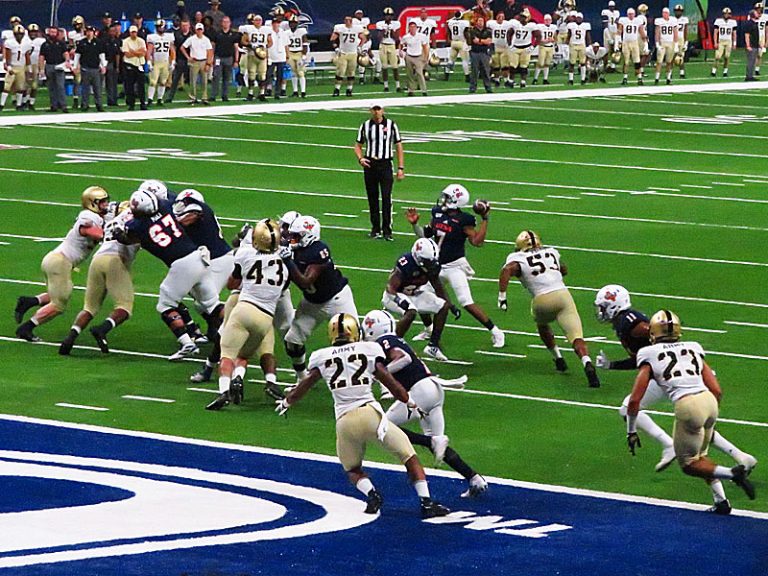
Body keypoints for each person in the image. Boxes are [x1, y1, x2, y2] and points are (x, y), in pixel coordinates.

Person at [275, 313, 451, 519]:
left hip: (345, 421)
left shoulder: (321, 356)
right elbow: (389, 381)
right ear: (356, 331)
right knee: (409, 457)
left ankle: (372, 494)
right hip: (371, 415)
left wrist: (287, 401)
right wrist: (408, 401)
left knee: (352, 469)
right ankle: (426, 502)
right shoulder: (369, 349)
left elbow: (305, 384)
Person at [594, 284, 758, 474]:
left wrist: (658, 338)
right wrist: (611, 365)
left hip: (675, 377)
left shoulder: (629, 322)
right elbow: (642, 358)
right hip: (685, 372)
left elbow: (651, 341)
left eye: (604, 306)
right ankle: (740, 457)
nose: (601, 311)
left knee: (628, 409)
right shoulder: (627, 324)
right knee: (698, 432)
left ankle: (668, 445)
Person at [626, 310, 756, 514]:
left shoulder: (647, 353)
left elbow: (634, 400)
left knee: (688, 464)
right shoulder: (693, 348)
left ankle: (733, 474)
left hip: (688, 405)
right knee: (701, 456)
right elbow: (716, 389)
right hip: (708, 400)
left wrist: (631, 431)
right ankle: (721, 501)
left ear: (653, 333)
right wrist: (711, 415)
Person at [362, 309, 488, 497]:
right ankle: (474, 479)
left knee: (384, 426)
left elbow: (403, 358)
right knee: (438, 447)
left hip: (421, 391)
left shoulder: (384, 342)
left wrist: (381, 374)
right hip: (434, 390)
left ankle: (431, 441)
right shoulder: (394, 339)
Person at [115, 190, 223, 361]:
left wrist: (117, 231)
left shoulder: (138, 226)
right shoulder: (165, 207)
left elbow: (127, 238)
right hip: (198, 257)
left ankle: (187, 342)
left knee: (165, 305)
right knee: (212, 304)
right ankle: (231, 330)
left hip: (181, 264)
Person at [406, 185, 505, 349]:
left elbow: (477, 242)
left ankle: (496, 331)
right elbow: (425, 235)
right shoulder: (437, 213)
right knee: (420, 294)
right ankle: (429, 329)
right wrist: (415, 225)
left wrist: (485, 220)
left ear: (454, 201)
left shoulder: (464, 220)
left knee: (466, 301)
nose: (442, 199)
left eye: (446, 197)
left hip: (454, 266)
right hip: (437, 265)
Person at [498, 230, 599, 387]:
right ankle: (586, 361)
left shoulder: (517, 258)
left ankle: (558, 358)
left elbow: (506, 270)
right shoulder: (552, 252)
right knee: (576, 336)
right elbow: (563, 270)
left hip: (541, 299)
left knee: (542, 324)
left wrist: (502, 296)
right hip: (563, 295)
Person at [207, 219, 286, 410]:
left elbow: (232, 284)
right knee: (244, 353)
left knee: (227, 354)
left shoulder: (245, 255)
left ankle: (224, 391)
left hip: (245, 309)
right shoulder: (284, 266)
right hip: (266, 318)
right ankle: (258, 379)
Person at [15, 187, 109, 342]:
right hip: (60, 262)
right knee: (58, 305)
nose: (105, 205)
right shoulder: (88, 216)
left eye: (106, 201)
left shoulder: (97, 216)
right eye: (102, 202)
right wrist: (111, 232)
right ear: (92, 203)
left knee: (58, 294)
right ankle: (26, 328)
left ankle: (28, 301)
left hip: (55, 260)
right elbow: (91, 231)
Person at [277, 216, 359, 382]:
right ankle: (302, 378)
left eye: (296, 236)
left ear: (308, 236)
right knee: (292, 340)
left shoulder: (319, 251)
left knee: (356, 340)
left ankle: (378, 381)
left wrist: (287, 261)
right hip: (312, 302)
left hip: (336, 298)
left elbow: (305, 281)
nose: (292, 239)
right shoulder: (294, 249)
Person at [59, 201, 139, 355]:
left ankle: (70, 338)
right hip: (115, 260)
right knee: (124, 307)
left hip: (97, 259)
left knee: (89, 308)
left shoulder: (113, 222)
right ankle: (102, 330)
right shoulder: (138, 223)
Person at [382, 239, 459, 361]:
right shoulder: (406, 263)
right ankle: (392, 346)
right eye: (428, 261)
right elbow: (390, 288)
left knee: (443, 306)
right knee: (411, 312)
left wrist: (451, 305)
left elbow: (437, 285)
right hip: (394, 296)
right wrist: (399, 301)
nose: (432, 263)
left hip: (414, 294)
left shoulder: (431, 265)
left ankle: (433, 346)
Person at [354, 103, 404, 241]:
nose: (376, 112)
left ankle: (387, 230)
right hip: (370, 164)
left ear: (383, 110)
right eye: (374, 109)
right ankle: (375, 229)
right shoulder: (365, 126)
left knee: (386, 197)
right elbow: (358, 145)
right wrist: (361, 159)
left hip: (386, 163)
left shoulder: (392, 125)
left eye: (379, 109)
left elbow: (399, 146)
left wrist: (401, 168)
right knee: (372, 197)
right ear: (370, 111)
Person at [74, 25, 106, 111]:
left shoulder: (98, 42)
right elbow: (77, 55)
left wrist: (103, 66)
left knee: (97, 88)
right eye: (87, 31)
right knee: (85, 88)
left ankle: (99, 104)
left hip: (95, 68)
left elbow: (101, 55)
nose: (89, 33)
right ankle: (85, 104)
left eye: (90, 31)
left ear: (93, 32)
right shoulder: (81, 43)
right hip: (85, 68)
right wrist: (75, 66)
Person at [38, 26, 71, 112]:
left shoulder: (61, 43)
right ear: (48, 33)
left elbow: (66, 53)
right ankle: (54, 105)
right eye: (51, 32)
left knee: (60, 86)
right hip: (49, 65)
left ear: (57, 33)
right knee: (51, 87)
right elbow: (41, 57)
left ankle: (63, 106)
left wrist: (67, 61)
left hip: (59, 66)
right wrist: (41, 69)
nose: (52, 34)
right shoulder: (44, 45)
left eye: (54, 32)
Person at [1, 25, 32, 112]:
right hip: (13, 66)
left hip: (21, 67)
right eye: (17, 34)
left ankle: (18, 105)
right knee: (7, 87)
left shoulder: (26, 42)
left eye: (21, 34)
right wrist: (9, 66)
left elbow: (27, 56)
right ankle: (1, 104)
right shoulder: (10, 42)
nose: (19, 36)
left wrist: (29, 68)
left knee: (20, 87)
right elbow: (7, 55)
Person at [330, 15, 364, 97]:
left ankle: (349, 89)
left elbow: (363, 38)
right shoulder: (340, 28)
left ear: (351, 21)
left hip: (353, 53)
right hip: (343, 53)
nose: (346, 22)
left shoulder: (356, 28)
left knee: (351, 72)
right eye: (345, 20)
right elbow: (332, 39)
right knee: (340, 71)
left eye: (348, 20)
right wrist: (336, 48)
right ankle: (337, 89)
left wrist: (359, 46)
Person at [181, 22, 213, 105]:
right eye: (198, 30)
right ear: (195, 30)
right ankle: (193, 97)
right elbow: (182, 47)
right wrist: (188, 57)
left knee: (204, 81)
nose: (199, 31)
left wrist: (208, 64)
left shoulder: (206, 39)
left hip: (203, 61)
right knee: (193, 81)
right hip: (194, 61)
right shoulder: (191, 39)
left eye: (200, 30)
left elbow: (209, 51)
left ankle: (204, 97)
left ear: (203, 30)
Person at [147, 19, 175, 105]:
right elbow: (149, 50)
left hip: (165, 62)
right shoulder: (152, 37)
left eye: (162, 27)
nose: (161, 28)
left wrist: (173, 61)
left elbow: (172, 50)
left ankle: (159, 99)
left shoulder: (169, 37)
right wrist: (149, 61)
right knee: (153, 82)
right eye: (159, 27)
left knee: (163, 82)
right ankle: (150, 99)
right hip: (156, 62)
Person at [241, 14, 269, 101]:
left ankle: (262, 93)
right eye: (256, 20)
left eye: (259, 20)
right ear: (253, 21)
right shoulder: (249, 29)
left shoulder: (266, 30)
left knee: (262, 75)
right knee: (251, 74)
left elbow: (270, 42)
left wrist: (264, 47)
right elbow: (243, 41)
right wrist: (250, 45)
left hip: (262, 55)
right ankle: (250, 93)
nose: (258, 22)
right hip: (252, 54)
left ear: (262, 21)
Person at [211, 16, 239, 101]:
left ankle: (225, 95)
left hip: (229, 58)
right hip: (218, 57)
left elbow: (236, 48)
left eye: (227, 22)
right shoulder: (217, 33)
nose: (225, 23)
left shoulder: (233, 35)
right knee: (216, 76)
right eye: (224, 22)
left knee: (227, 78)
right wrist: (212, 58)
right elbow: (213, 46)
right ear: (221, 23)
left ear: (230, 23)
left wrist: (236, 60)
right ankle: (213, 95)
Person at [508, 9, 538, 88]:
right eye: (521, 17)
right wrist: (510, 45)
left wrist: (532, 46)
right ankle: (511, 81)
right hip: (516, 47)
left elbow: (538, 36)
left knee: (524, 66)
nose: (522, 19)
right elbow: (509, 34)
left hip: (526, 48)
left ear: (528, 18)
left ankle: (523, 81)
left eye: (524, 17)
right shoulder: (515, 24)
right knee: (512, 66)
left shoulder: (531, 25)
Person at [165, 18, 192, 103]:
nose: (184, 27)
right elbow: (173, 47)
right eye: (183, 25)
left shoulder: (192, 35)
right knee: (175, 79)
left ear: (189, 25)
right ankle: (170, 97)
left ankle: (193, 97)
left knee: (191, 80)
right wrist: (174, 59)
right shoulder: (176, 34)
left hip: (191, 60)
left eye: (186, 25)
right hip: (180, 59)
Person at [121, 25, 148, 110]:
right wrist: (138, 53)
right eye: (132, 32)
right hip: (130, 64)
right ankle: (131, 104)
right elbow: (127, 54)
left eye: (135, 32)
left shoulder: (141, 41)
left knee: (141, 86)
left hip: (140, 64)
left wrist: (133, 52)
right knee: (130, 86)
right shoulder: (125, 41)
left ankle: (142, 103)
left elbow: (143, 53)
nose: (134, 34)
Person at [618, 8, 646, 85]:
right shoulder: (623, 20)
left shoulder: (637, 21)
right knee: (626, 61)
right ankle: (625, 78)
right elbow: (619, 31)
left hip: (634, 42)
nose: (631, 16)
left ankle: (639, 78)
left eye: (632, 14)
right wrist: (618, 41)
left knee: (637, 61)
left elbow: (642, 32)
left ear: (634, 14)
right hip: (625, 42)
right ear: (627, 14)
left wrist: (645, 43)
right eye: (629, 14)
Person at [376, 7, 402, 92]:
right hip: (383, 45)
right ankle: (386, 85)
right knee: (384, 67)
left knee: (395, 66)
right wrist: (384, 30)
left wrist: (391, 30)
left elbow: (396, 38)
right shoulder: (380, 24)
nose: (388, 17)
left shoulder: (396, 24)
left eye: (390, 15)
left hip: (392, 45)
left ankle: (398, 85)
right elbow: (379, 38)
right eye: (386, 15)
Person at [400, 21, 429, 96]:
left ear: (416, 28)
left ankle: (424, 90)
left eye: (414, 27)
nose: (412, 29)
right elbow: (401, 44)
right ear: (409, 28)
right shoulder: (406, 37)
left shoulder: (421, 36)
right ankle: (411, 90)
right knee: (409, 74)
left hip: (418, 56)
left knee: (419, 73)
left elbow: (425, 46)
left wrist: (425, 57)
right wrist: (400, 51)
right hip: (409, 56)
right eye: (411, 27)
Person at [467, 16, 493, 93]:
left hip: (484, 52)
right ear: (476, 22)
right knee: (474, 71)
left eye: (482, 21)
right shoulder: (473, 31)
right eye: (479, 20)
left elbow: (489, 41)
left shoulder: (488, 31)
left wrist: (480, 40)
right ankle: (472, 88)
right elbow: (474, 41)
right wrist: (483, 41)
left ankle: (488, 87)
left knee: (486, 71)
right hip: (475, 52)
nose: (481, 22)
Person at [266, 17, 289, 99]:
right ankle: (267, 90)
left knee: (280, 75)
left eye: (278, 23)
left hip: (281, 56)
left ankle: (277, 92)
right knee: (268, 75)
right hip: (271, 56)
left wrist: (287, 55)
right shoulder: (268, 32)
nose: (276, 24)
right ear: (272, 24)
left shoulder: (283, 33)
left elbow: (286, 45)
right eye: (275, 23)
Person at [286, 13, 308, 98]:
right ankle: (295, 91)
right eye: (291, 22)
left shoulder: (301, 31)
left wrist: (304, 55)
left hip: (299, 53)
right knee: (293, 73)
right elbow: (286, 45)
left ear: (297, 23)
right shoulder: (287, 33)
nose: (292, 24)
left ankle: (303, 91)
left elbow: (305, 43)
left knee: (301, 72)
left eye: (294, 23)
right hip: (291, 53)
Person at [487, 12, 512, 87]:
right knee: (496, 66)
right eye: (499, 16)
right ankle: (497, 80)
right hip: (495, 46)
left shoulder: (507, 24)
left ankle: (506, 80)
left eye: (502, 16)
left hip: (504, 47)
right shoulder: (491, 23)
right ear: (496, 17)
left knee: (505, 66)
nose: (501, 18)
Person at [654, 8, 678, 85]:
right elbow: (657, 33)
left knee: (669, 61)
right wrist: (657, 43)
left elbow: (675, 33)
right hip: (662, 43)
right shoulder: (659, 21)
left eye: (666, 13)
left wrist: (676, 44)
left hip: (671, 43)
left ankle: (668, 78)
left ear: (669, 13)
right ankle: (657, 78)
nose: (664, 14)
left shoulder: (673, 21)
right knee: (659, 61)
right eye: (663, 13)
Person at [567, 12, 591, 85]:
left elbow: (587, 35)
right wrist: (567, 43)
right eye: (577, 18)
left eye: (580, 18)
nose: (579, 19)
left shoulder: (585, 26)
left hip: (582, 44)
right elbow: (569, 35)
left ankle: (583, 79)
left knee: (583, 63)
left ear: (582, 19)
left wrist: (589, 44)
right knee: (572, 63)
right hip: (573, 44)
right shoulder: (571, 25)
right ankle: (571, 80)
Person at [445, 11, 470, 82]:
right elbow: (466, 33)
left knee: (451, 59)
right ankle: (467, 76)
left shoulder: (451, 22)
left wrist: (449, 40)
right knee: (465, 60)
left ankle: (446, 74)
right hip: (461, 42)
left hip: (453, 42)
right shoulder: (464, 23)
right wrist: (468, 43)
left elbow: (449, 32)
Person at [712, 8, 737, 77]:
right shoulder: (718, 21)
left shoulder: (733, 22)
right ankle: (714, 71)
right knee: (717, 56)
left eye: (728, 14)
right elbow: (715, 33)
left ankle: (725, 71)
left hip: (729, 41)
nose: (726, 15)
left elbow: (734, 33)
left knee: (727, 57)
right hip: (721, 41)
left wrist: (734, 43)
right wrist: (715, 42)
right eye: (725, 14)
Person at [68, 16, 86, 109]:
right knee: (77, 80)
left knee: (86, 80)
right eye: (76, 24)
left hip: (87, 58)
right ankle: (75, 99)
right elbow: (70, 46)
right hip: (77, 58)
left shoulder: (87, 33)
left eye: (79, 24)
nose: (78, 26)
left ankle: (84, 100)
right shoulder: (71, 34)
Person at [26, 23, 46, 109]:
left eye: (34, 31)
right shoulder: (25, 40)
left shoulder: (41, 41)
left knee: (34, 85)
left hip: (36, 64)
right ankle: (24, 101)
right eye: (31, 32)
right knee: (25, 85)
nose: (33, 33)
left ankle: (31, 102)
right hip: (26, 64)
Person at [103, 22, 122, 106]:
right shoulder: (105, 41)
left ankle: (115, 99)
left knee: (114, 83)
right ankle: (110, 100)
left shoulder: (117, 41)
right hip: (108, 62)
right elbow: (102, 53)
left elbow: (118, 54)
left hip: (115, 63)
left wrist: (118, 66)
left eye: (114, 31)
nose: (112, 33)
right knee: (109, 83)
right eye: (111, 31)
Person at [534, 14, 557, 84]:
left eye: (549, 20)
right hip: (543, 46)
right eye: (546, 20)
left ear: (551, 20)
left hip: (550, 47)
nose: (548, 21)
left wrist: (553, 40)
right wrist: (542, 41)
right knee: (540, 63)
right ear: (544, 20)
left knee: (547, 64)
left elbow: (555, 37)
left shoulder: (554, 27)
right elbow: (536, 36)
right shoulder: (540, 27)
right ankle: (535, 78)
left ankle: (545, 79)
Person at [601, 0, 620, 67]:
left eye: (613, 6)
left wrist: (618, 34)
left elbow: (618, 23)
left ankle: (612, 65)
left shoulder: (617, 13)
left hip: (614, 32)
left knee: (614, 49)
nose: (612, 8)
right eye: (610, 6)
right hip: (607, 32)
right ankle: (605, 65)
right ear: (608, 7)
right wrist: (609, 37)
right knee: (606, 50)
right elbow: (605, 25)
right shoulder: (605, 12)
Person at [745, 9, 762, 81]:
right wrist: (748, 45)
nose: (758, 14)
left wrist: (758, 44)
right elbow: (747, 35)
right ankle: (748, 76)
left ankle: (750, 75)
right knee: (751, 61)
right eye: (756, 13)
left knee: (753, 61)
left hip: (755, 45)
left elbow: (755, 36)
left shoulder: (755, 23)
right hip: (751, 45)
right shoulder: (749, 23)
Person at [673, 4, 689, 77]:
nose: (678, 13)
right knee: (671, 56)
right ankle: (670, 72)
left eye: (680, 11)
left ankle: (682, 72)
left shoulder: (684, 19)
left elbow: (685, 31)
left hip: (681, 39)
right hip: (673, 39)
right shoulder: (671, 19)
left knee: (681, 56)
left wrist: (686, 42)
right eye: (677, 11)